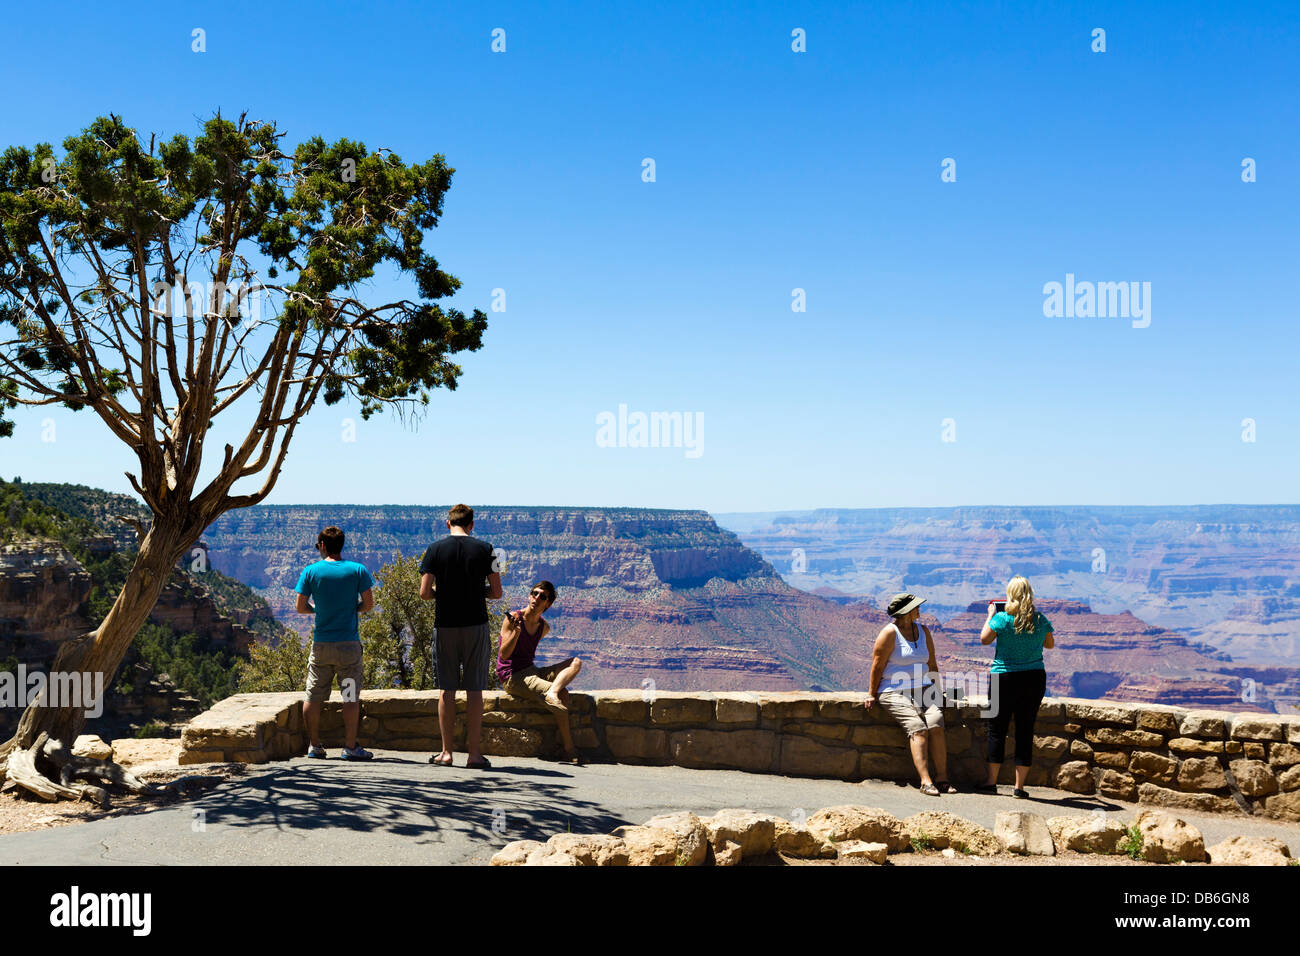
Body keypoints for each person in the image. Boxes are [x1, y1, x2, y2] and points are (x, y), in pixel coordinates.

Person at [419, 504, 502, 768]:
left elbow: (424, 592)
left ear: (447, 523)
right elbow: (497, 592)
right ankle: (474, 755)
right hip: (476, 624)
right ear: (472, 524)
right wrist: (479, 593)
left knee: (447, 689)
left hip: (445, 625)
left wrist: (441, 595)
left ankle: (446, 753)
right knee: (475, 689)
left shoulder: (434, 549)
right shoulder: (488, 548)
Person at [865, 592, 957, 796]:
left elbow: (932, 664)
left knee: (936, 722)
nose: (919, 609)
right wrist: (872, 694)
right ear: (905, 612)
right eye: (916, 607)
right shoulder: (889, 633)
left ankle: (942, 778)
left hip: (924, 687)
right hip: (893, 689)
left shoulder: (923, 631)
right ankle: (926, 781)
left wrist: (938, 690)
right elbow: (877, 666)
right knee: (917, 727)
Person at [296, 526, 375, 760]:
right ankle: (350, 747)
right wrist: (353, 609)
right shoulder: (357, 570)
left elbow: (300, 607)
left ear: (322, 545)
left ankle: (315, 745)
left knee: (313, 696)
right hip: (348, 647)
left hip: (322, 646)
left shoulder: (311, 572)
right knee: (350, 696)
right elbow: (369, 604)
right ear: (342, 545)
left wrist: (318, 610)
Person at [979, 575, 1054, 798]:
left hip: (1003, 678)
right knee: (1024, 730)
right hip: (1033, 678)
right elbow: (1049, 645)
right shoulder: (1040, 619)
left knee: (997, 729)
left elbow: (984, 639)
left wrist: (991, 615)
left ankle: (991, 782)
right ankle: (1019, 788)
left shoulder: (1001, 619)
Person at [497, 581, 585, 765]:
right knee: (564, 693)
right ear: (529, 595)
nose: (536, 598)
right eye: (534, 593)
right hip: (512, 676)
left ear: (548, 604)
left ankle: (551, 693)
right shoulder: (513, 618)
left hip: (531, 671)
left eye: (542, 596)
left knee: (575, 662)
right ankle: (569, 750)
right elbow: (504, 655)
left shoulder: (544, 627)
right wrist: (516, 632)